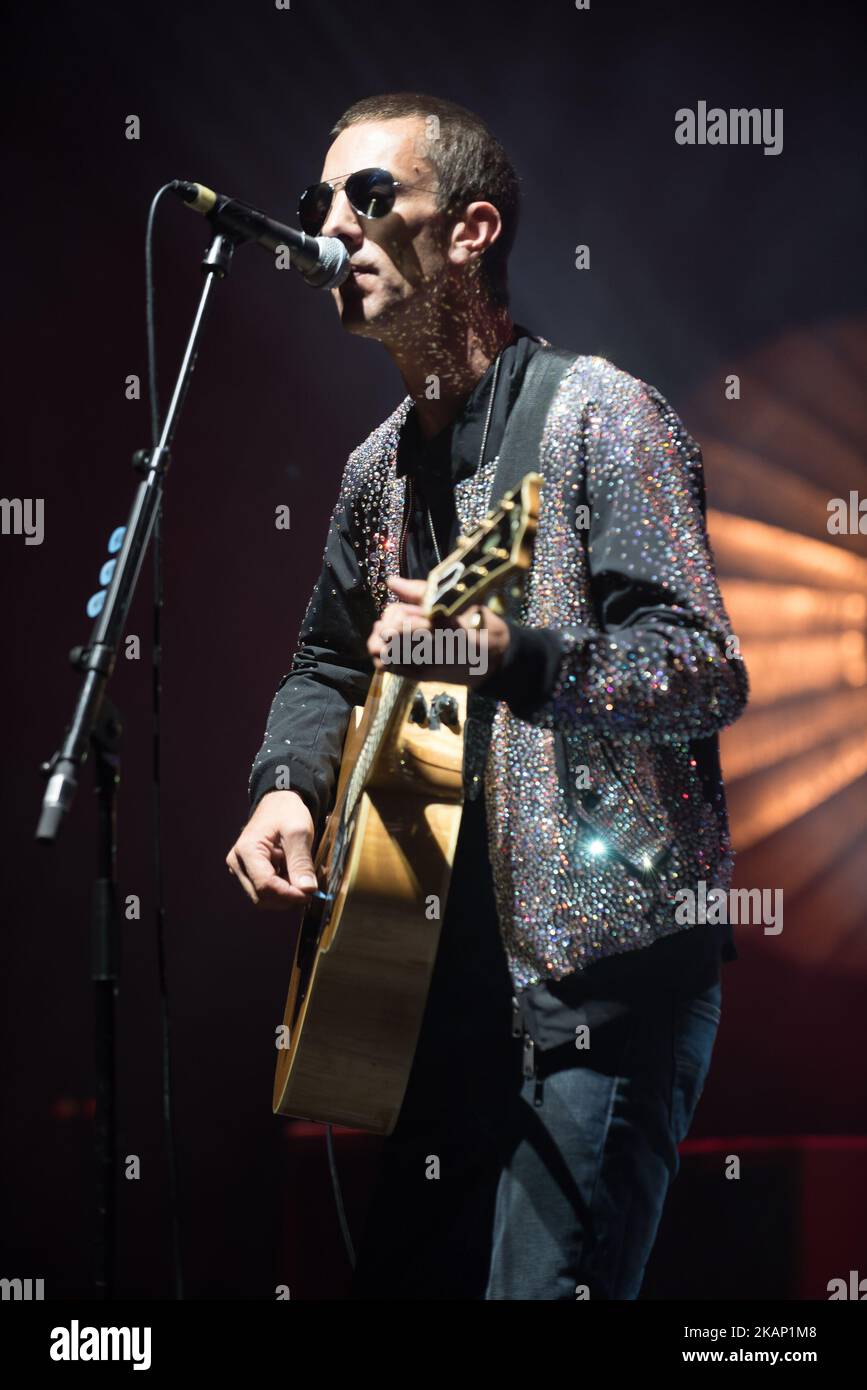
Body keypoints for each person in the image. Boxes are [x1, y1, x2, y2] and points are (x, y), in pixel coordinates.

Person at [226, 92, 749, 1300]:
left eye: (370, 199)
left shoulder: (599, 418)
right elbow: (326, 663)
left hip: (600, 988)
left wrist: (513, 654)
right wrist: (283, 787)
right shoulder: (376, 472)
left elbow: (701, 669)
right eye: (320, 206)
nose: (332, 232)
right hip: (431, 1003)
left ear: (470, 230)